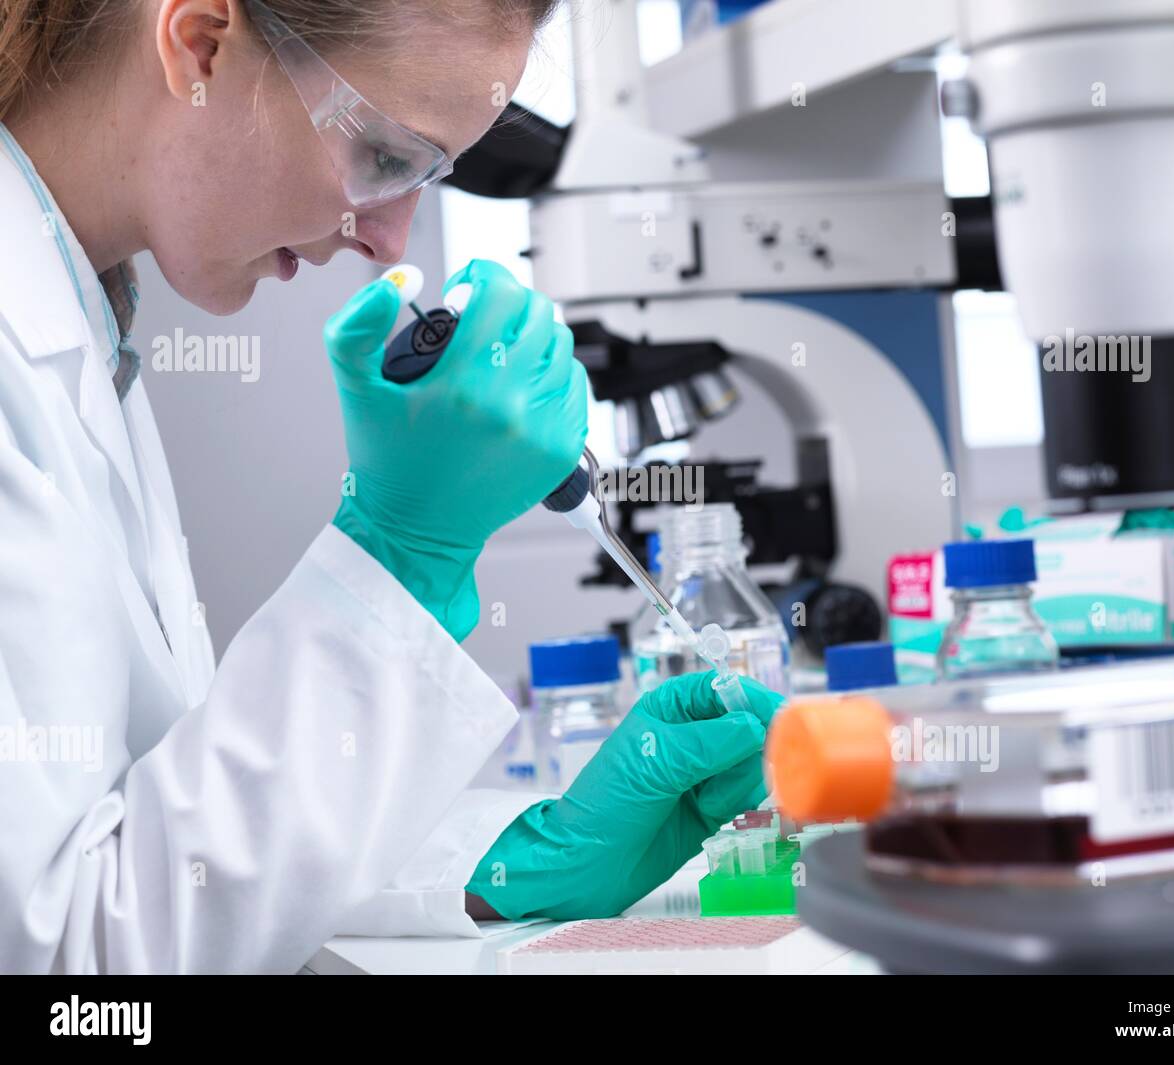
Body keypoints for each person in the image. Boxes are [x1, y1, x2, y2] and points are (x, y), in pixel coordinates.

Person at [0, 0, 782, 973]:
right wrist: (402, 556)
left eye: (426, 177)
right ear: (199, 44)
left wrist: (510, 863)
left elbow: (148, 853)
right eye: (383, 156)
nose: (389, 240)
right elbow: (67, 970)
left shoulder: (79, 310)